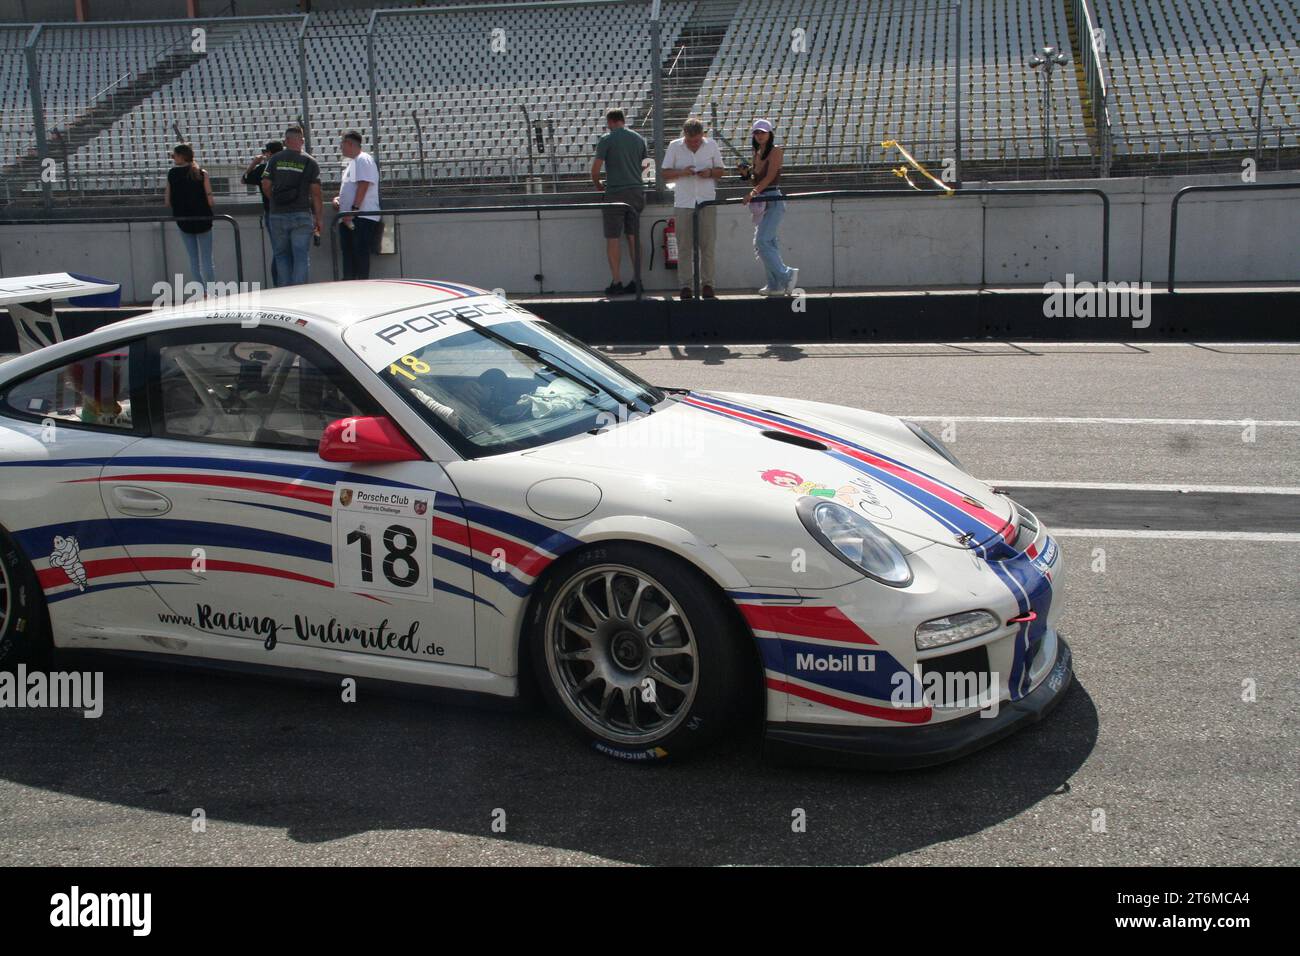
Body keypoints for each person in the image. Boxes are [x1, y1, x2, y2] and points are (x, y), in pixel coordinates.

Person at [662, 116, 724, 300]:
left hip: (706, 200)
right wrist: (682, 172)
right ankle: (685, 286)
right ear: (684, 136)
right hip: (683, 201)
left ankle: (708, 284)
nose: (694, 144)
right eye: (690, 141)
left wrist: (710, 173)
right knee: (684, 246)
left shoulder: (711, 145)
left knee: (708, 245)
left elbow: (721, 171)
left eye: (697, 141)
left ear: (702, 135)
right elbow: (664, 173)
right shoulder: (674, 146)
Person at [590, 108, 647, 296]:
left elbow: (596, 170)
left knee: (613, 237)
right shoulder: (639, 139)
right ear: (623, 120)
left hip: (615, 193)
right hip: (636, 191)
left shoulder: (607, 139)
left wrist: (598, 184)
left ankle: (617, 281)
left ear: (610, 121)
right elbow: (645, 167)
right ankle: (637, 280)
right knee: (633, 236)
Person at [741, 118, 799, 296]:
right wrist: (746, 175)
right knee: (769, 242)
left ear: (770, 134)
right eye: (756, 132)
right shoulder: (757, 152)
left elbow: (770, 177)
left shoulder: (776, 151)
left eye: (762, 132)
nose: (759, 135)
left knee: (762, 241)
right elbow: (757, 179)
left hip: (773, 199)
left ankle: (787, 274)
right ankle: (775, 284)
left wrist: (752, 193)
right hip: (763, 200)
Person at [261, 125, 322, 287]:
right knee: (301, 256)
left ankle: (284, 293)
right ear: (302, 141)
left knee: (281, 256)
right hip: (302, 214)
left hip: (277, 214)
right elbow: (316, 193)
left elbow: (265, 184)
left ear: (285, 140)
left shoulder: (274, 159)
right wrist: (319, 219)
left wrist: (274, 200)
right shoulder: (310, 162)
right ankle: (299, 293)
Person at [165, 143, 216, 290]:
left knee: (193, 260)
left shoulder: (172, 173)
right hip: (203, 219)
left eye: (173, 155)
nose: (173, 158)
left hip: (183, 220)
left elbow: (167, 201)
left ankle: (201, 292)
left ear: (181, 156)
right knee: (207, 259)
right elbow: (210, 200)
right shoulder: (201, 173)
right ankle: (212, 291)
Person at [333, 130, 381, 280]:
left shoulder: (362, 159)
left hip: (360, 217)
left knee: (359, 253)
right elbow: (353, 187)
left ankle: (360, 287)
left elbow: (364, 185)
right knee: (349, 255)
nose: (341, 148)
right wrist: (340, 199)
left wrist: (353, 210)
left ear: (349, 144)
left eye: (342, 144)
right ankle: (350, 285)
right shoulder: (353, 163)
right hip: (350, 217)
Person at [243, 140, 283, 286]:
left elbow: (244, 179)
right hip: (287, 210)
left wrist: (253, 164)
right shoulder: (285, 165)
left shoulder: (263, 168)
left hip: (271, 213)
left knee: (278, 252)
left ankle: (278, 284)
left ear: (268, 153)